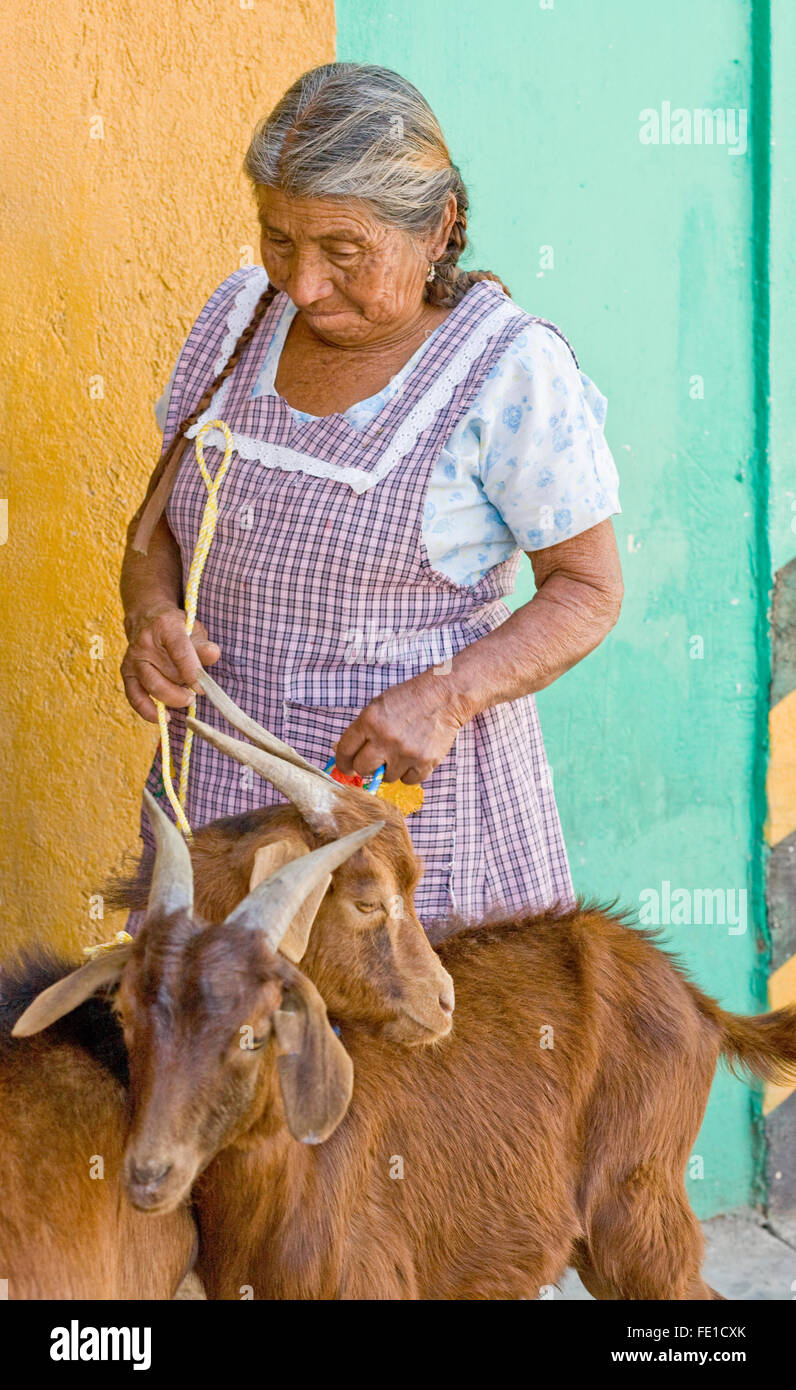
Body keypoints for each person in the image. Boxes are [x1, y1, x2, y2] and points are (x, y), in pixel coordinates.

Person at [120, 62, 623, 927]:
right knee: (216, 1052)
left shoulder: (507, 370)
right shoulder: (239, 320)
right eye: (278, 240)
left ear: (439, 227)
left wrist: (448, 695)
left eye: (343, 251)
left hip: (408, 830)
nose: (303, 284)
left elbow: (590, 588)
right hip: (219, 814)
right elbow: (155, 528)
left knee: (409, 1051)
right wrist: (151, 616)